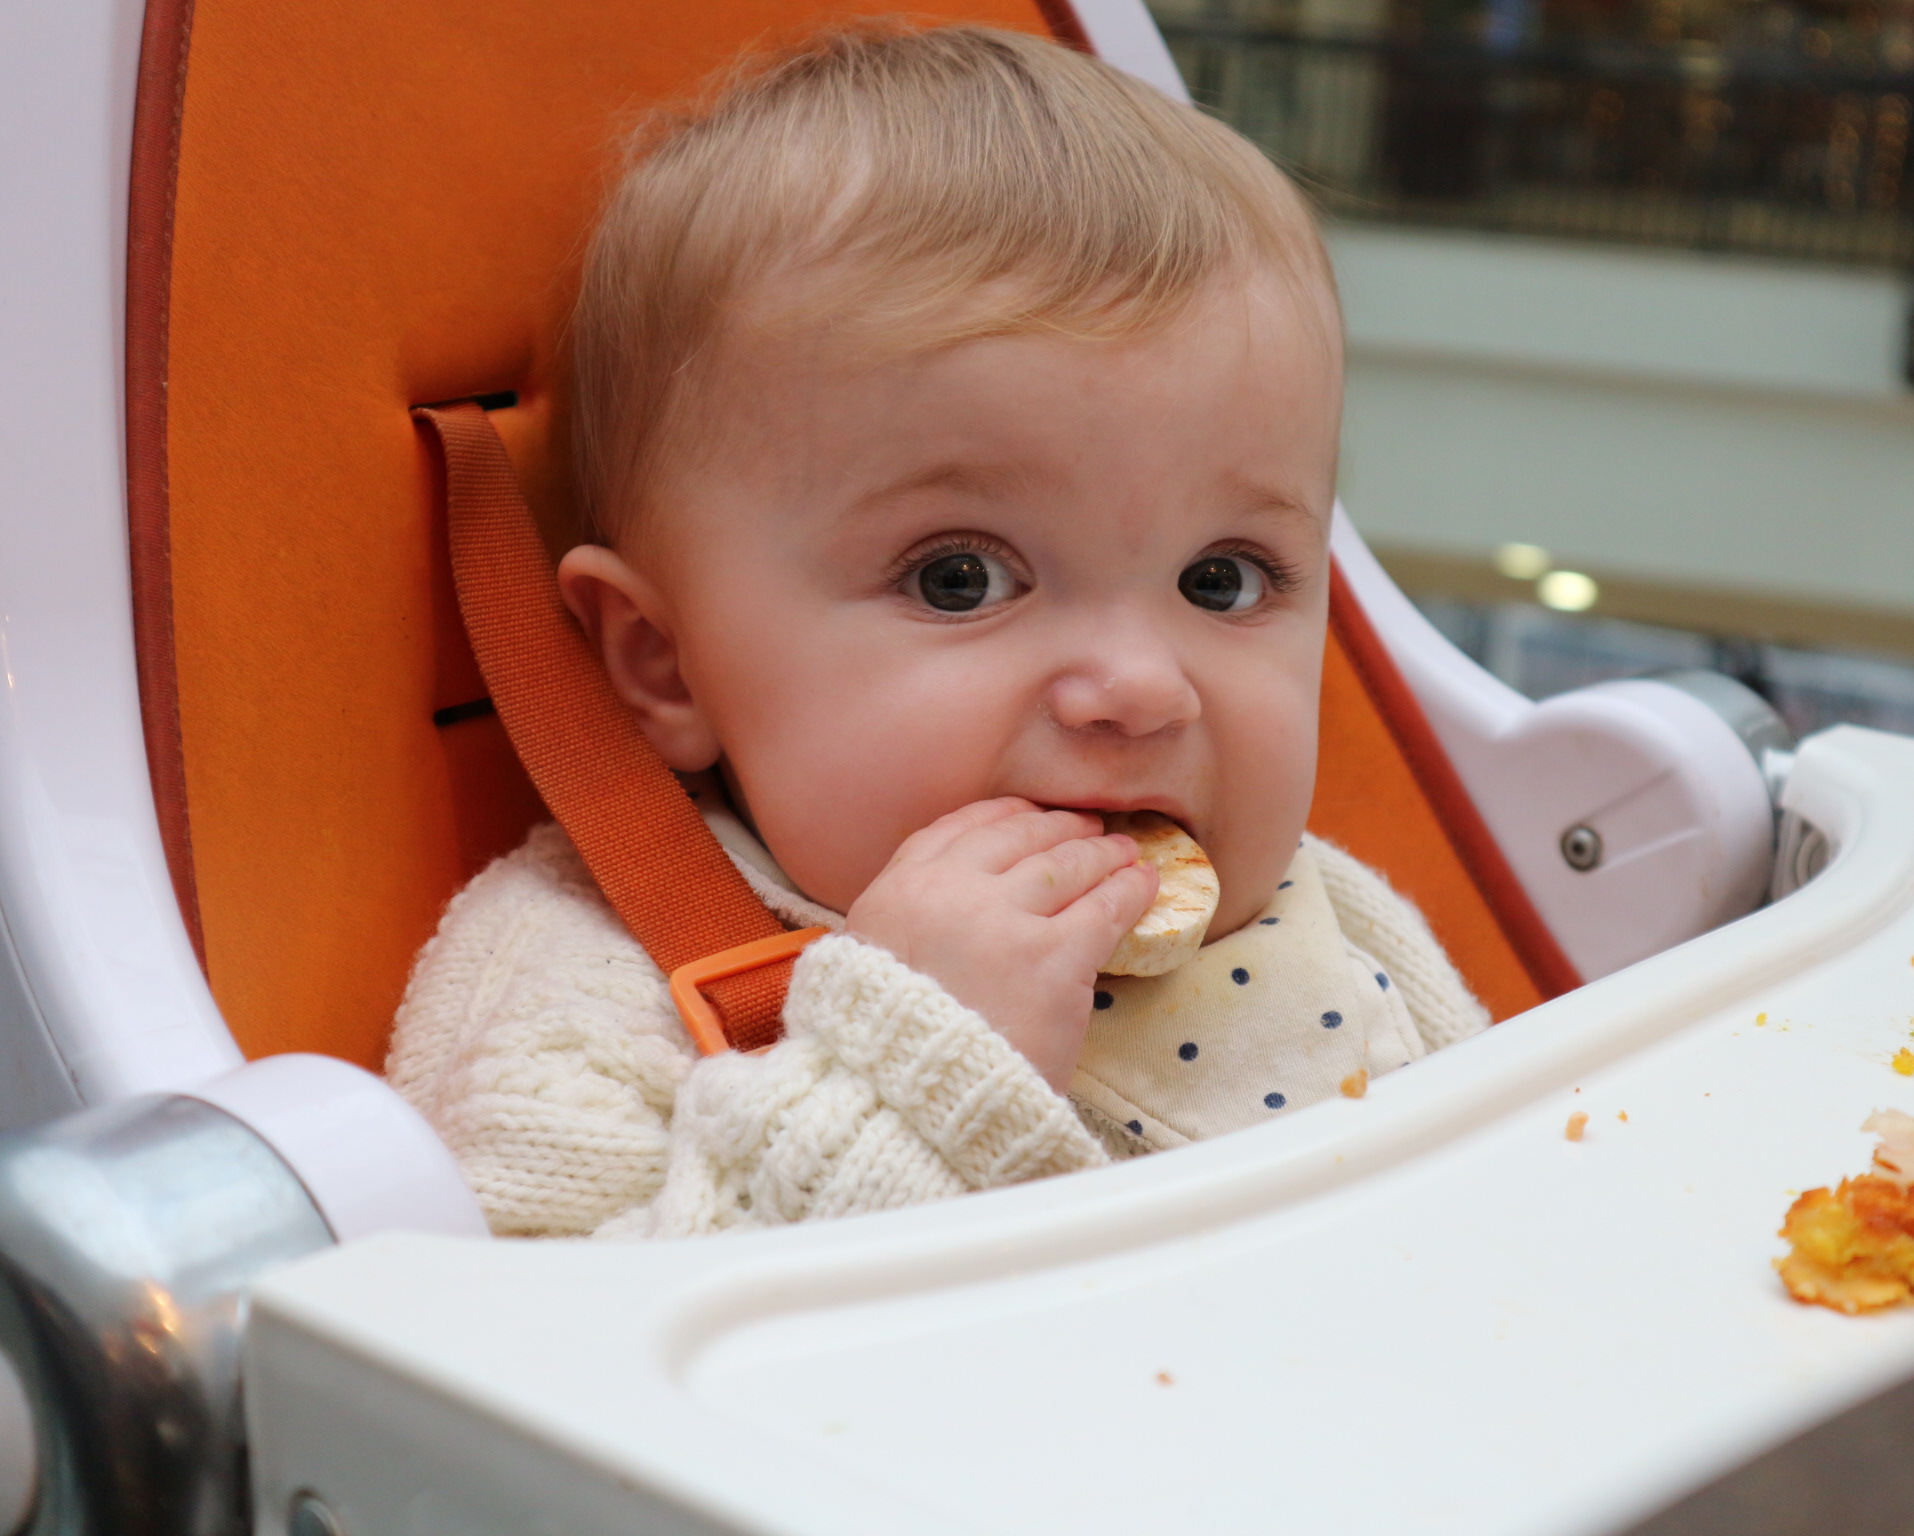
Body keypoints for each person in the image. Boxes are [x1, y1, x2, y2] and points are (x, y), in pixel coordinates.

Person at [386, 22, 1490, 1239]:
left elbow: (1527, 1197)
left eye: (1222, 580)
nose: (1138, 686)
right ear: (663, 660)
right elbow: (532, 1388)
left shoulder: (1333, 920)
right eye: (961, 579)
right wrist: (906, 1079)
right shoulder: (584, 997)